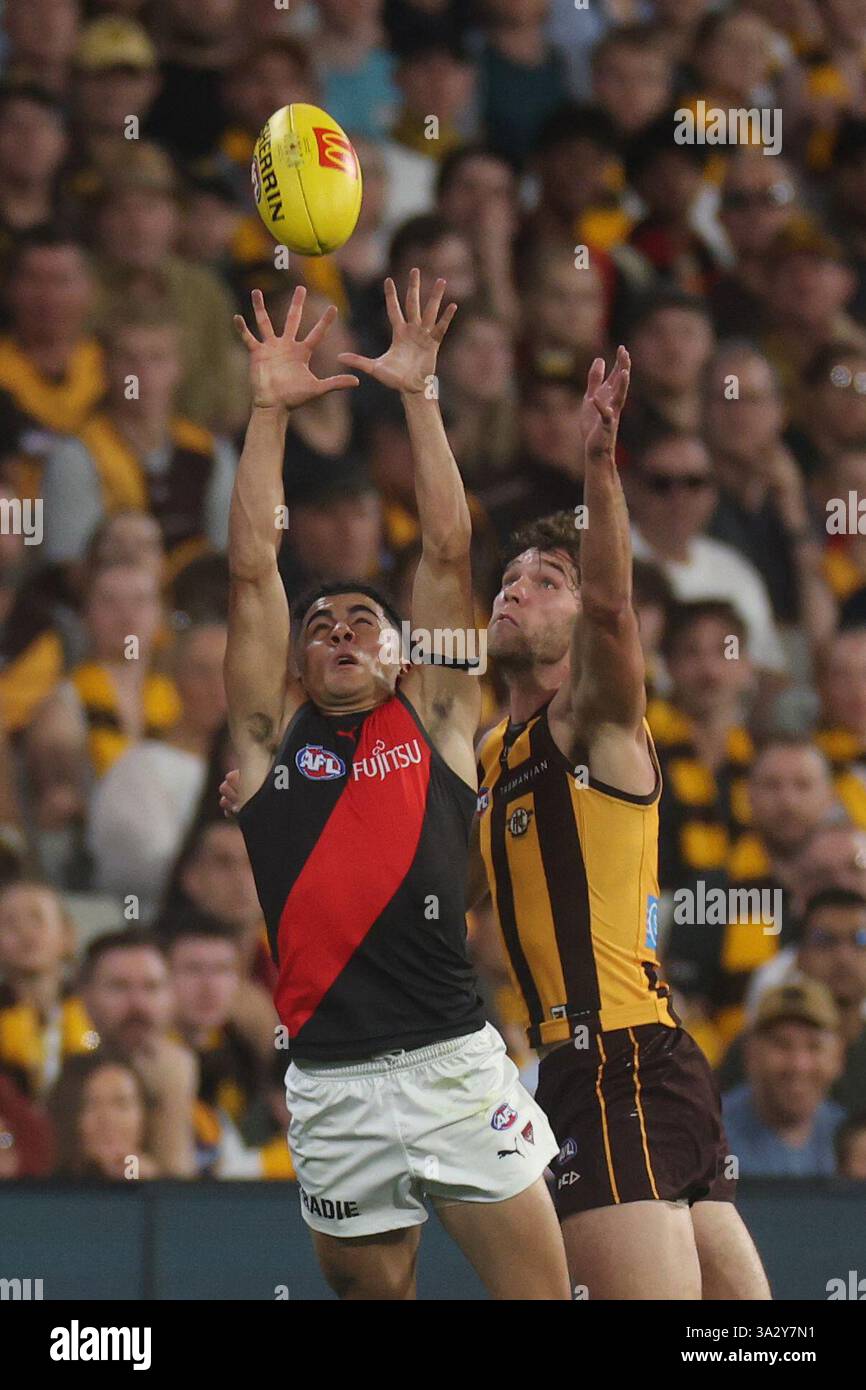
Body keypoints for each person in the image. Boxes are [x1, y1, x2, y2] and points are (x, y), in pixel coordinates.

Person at [225, 275, 568, 1299]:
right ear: (294, 661)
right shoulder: (263, 740)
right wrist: (266, 414)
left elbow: (449, 545)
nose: (337, 629)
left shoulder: (440, 717)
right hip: (327, 1088)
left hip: (452, 1069)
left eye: (361, 621)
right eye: (320, 621)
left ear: (406, 656)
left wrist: (419, 397)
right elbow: (250, 573)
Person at [474, 350, 770, 1298]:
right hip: (625, 1061)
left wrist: (601, 468)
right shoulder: (493, 751)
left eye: (545, 579)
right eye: (510, 577)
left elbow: (612, 604)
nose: (515, 590)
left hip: (617, 1063)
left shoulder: (592, 723)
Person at [722, 981, 845, 1178]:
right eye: (782, 1045)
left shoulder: (847, 1136)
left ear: (838, 1057)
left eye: (814, 1046)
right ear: (751, 1054)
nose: (799, 1064)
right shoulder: (709, 1137)